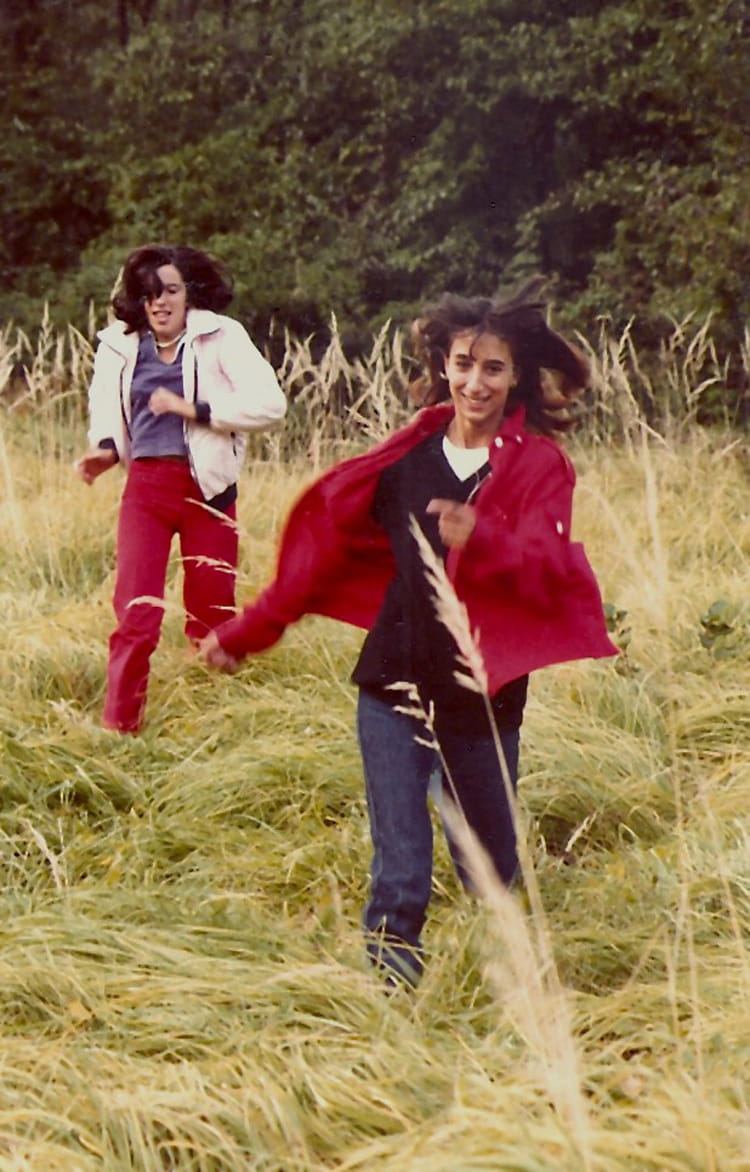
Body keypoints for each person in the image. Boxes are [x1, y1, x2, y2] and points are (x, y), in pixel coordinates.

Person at [199, 282, 617, 987]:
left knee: (492, 867)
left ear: (516, 375)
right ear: (443, 364)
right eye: (463, 364)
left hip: (483, 695)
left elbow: (551, 569)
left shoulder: (538, 465)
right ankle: (395, 996)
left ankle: (512, 987)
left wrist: (482, 536)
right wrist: (244, 633)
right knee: (399, 866)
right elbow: (318, 562)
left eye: (492, 368)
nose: (475, 383)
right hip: (393, 679)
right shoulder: (406, 456)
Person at [75, 243, 287, 734]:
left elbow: (270, 405)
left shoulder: (221, 335)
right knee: (136, 614)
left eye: (170, 290)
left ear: (190, 292)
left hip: (208, 490)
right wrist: (104, 452)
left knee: (212, 618)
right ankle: (120, 729)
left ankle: (211, 732)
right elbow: (105, 412)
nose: (160, 303)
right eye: (149, 294)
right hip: (146, 490)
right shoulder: (117, 346)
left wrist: (195, 410)